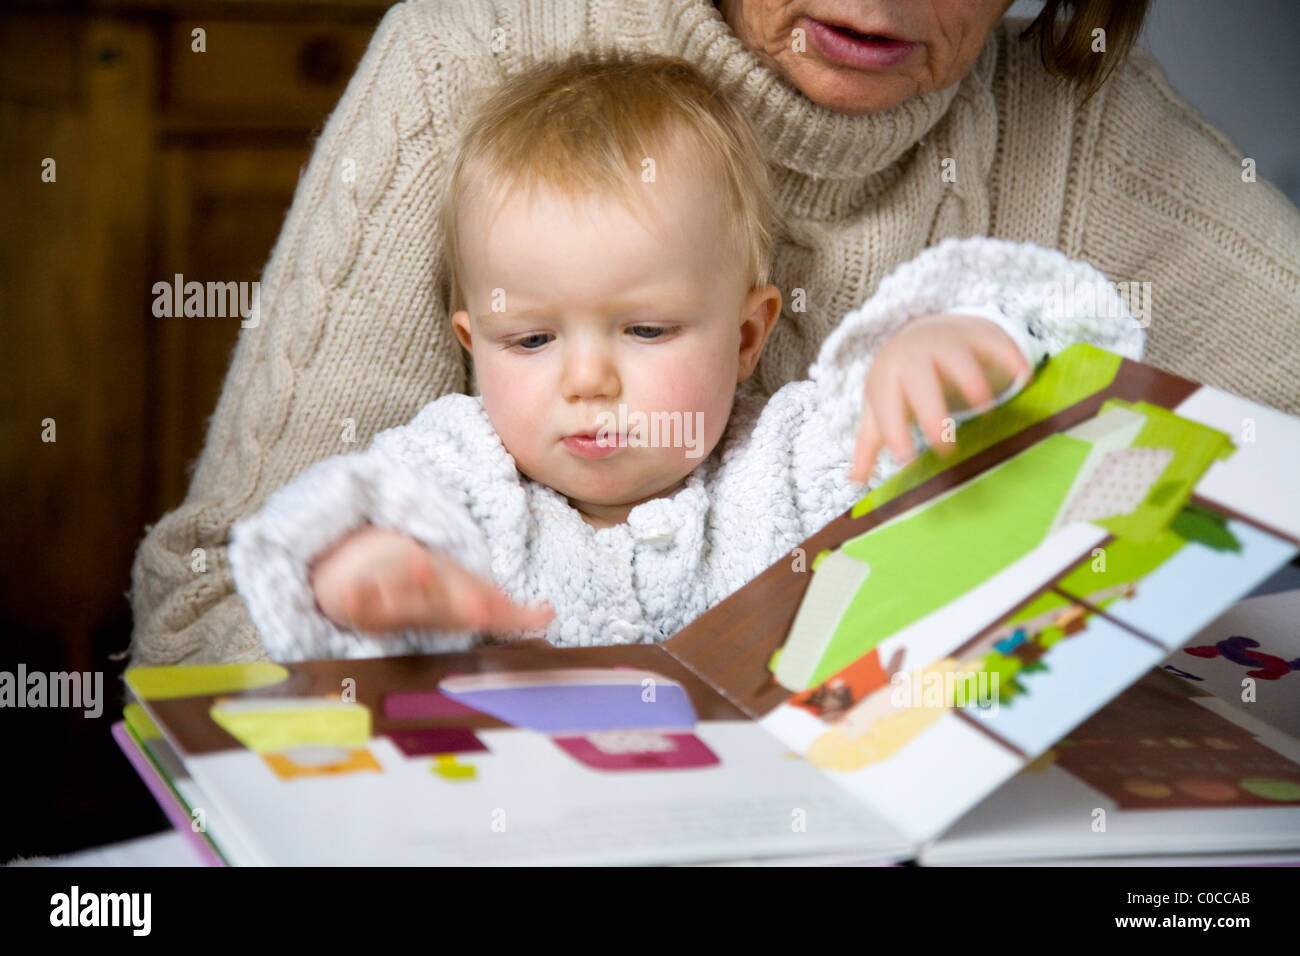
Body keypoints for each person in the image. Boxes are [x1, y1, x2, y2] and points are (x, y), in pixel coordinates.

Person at [129, 0, 1296, 666]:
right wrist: (352, 601)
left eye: (645, 326)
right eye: (528, 341)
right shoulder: (453, 471)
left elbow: (906, 391)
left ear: (751, 336)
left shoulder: (779, 452)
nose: (589, 381)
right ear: (470, 336)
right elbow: (216, 603)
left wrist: (961, 340)